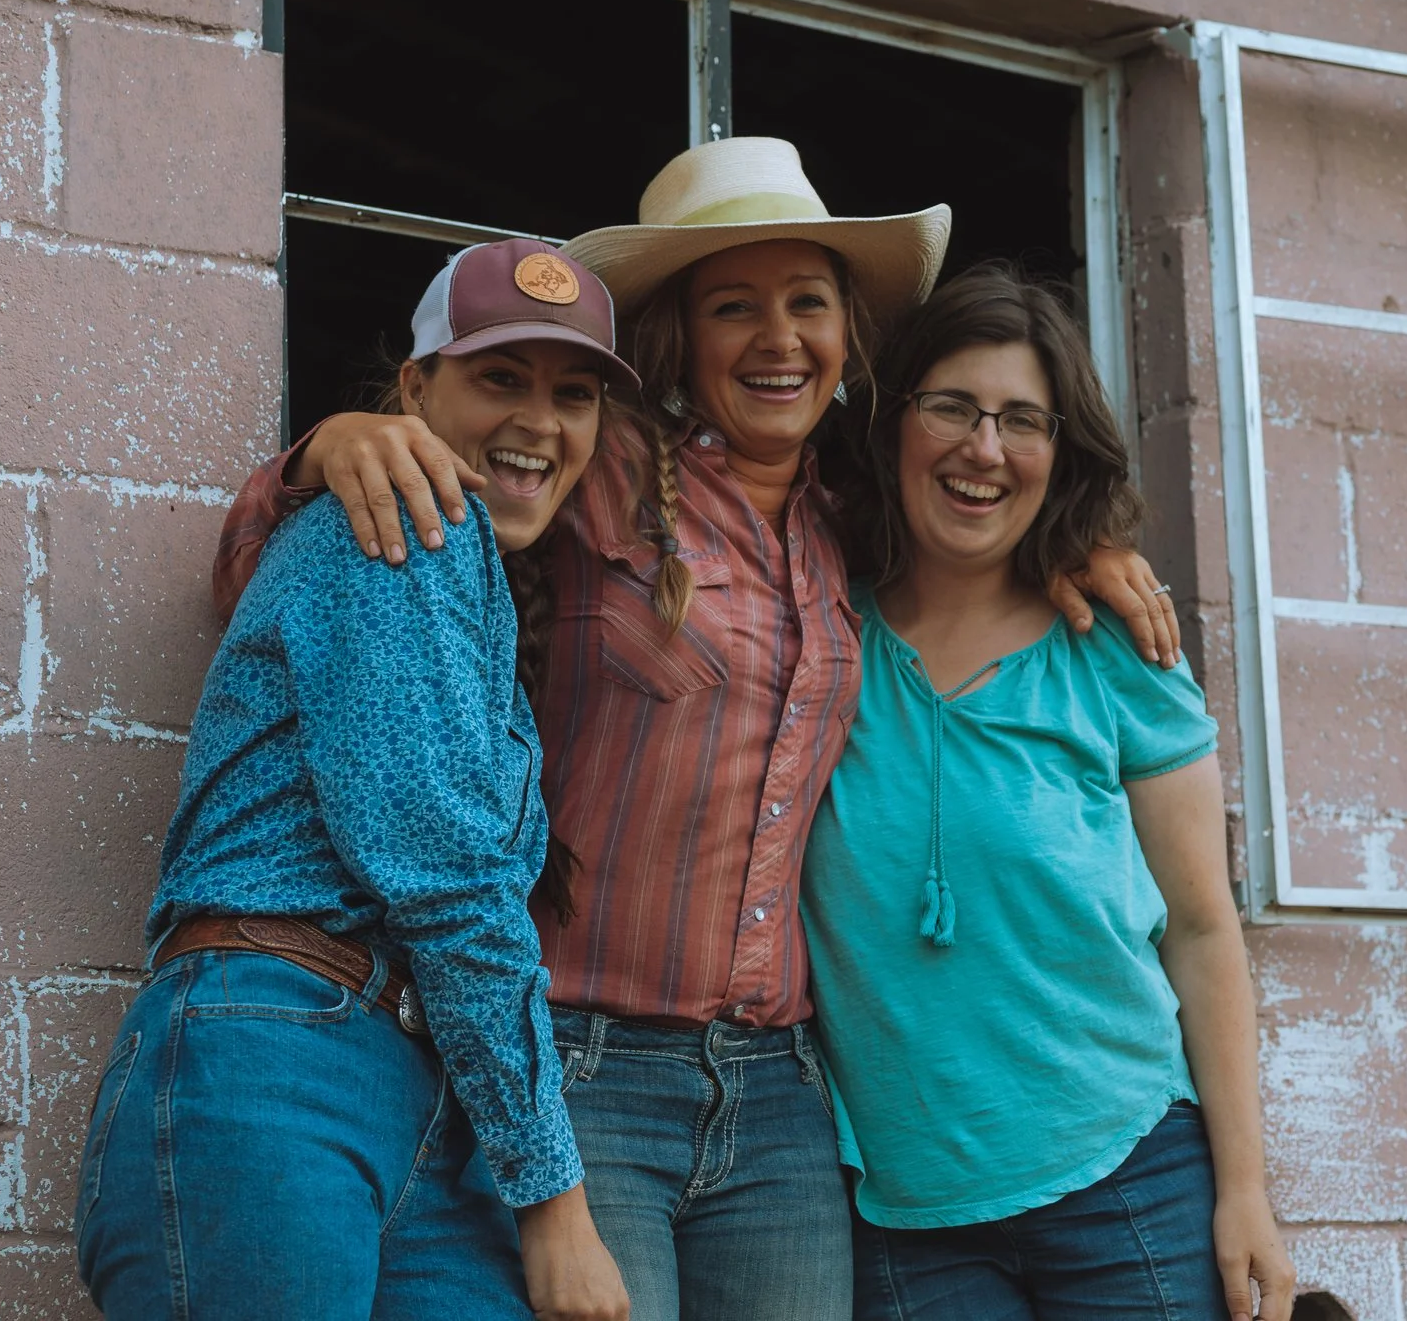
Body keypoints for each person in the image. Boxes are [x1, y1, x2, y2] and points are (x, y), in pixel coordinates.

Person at [209, 138, 1180, 1321]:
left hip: (781, 1097)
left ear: (845, 340)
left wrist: (1081, 540)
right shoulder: (593, 461)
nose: (778, 338)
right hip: (582, 1066)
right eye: (736, 307)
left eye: (807, 304)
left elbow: (980, 511)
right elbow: (319, 564)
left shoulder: (855, 525)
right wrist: (330, 447)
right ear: (680, 335)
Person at [75, 240, 634, 1321]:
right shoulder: (407, 526)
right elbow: (448, 879)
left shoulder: (466, 575)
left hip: (408, 1077)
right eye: (499, 377)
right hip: (277, 1054)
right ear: (416, 387)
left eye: (574, 394)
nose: (539, 422)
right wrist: (555, 1203)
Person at [803, 264, 1296, 1321]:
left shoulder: (1113, 645)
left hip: (1129, 1174)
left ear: (1058, 454)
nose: (984, 448)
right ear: (893, 424)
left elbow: (1205, 930)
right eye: (952, 407)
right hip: (906, 1215)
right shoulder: (819, 633)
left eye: (1023, 420)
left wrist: (1245, 1190)